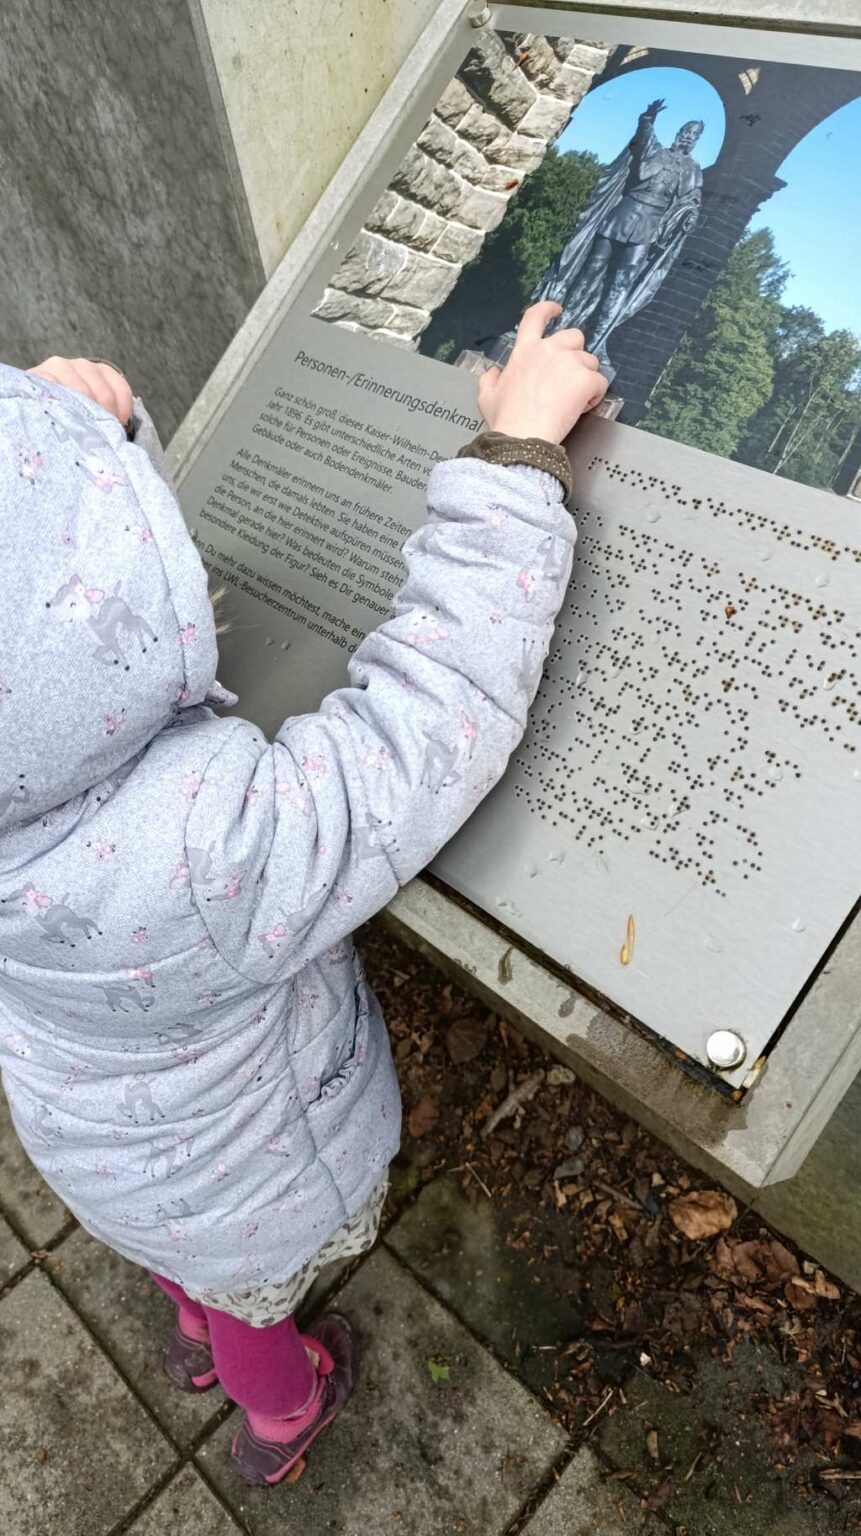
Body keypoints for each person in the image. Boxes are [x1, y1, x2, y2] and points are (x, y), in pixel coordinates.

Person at [0, 304, 606, 1486]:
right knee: (255, 1320)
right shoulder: (204, 854)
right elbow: (428, 718)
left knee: (191, 1268)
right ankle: (281, 1407)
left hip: (107, 1159)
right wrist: (520, 455)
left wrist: (71, 454)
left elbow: (79, 654)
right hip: (254, 1179)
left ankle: (192, 1319)